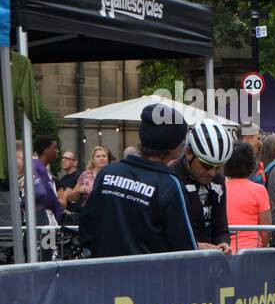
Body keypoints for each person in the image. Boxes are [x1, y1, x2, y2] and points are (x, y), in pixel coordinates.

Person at [79, 103, 196, 257]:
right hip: (148, 277)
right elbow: (184, 247)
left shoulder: (108, 173)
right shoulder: (169, 185)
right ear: (175, 146)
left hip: (104, 274)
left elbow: (86, 226)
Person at [172, 119, 235, 252]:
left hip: (209, 261)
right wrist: (197, 246)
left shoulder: (218, 180)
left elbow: (221, 226)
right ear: (189, 153)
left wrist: (224, 243)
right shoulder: (172, 178)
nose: (212, 173)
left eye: (218, 167)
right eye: (206, 165)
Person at [225, 141, 272, 252]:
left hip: (224, 249)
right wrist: (263, 245)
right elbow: (266, 230)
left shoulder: (219, 188)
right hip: (251, 250)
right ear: (251, 164)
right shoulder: (259, 190)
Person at [28, 136, 63, 223]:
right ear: (46, 150)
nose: (57, 151)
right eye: (54, 148)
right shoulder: (35, 167)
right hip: (41, 216)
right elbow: (39, 193)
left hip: (49, 216)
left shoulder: (44, 170)